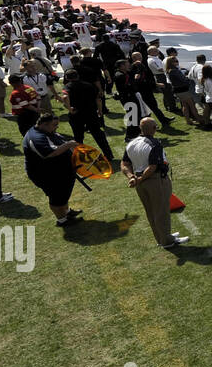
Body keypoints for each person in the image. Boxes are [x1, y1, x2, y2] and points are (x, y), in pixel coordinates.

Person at [121, 118, 189, 250]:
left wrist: (131, 176)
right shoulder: (154, 144)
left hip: (141, 183)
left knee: (151, 211)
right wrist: (140, 179)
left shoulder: (131, 143)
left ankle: (161, 237)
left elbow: (124, 164)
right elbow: (152, 167)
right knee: (161, 211)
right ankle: (167, 241)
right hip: (155, 180)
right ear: (153, 129)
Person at [23, 113, 83, 227]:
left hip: (59, 171)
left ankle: (67, 212)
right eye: (54, 125)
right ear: (44, 125)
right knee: (56, 197)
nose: (57, 127)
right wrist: (68, 144)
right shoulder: (36, 137)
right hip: (46, 174)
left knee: (63, 194)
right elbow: (50, 153)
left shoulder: (46, 131)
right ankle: (62, 220)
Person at [58, 69, 114, 164]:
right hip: (91, 113)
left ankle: (82, 158)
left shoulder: (68, 87)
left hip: (77, 115)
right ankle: (108, 154)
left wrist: (69, 108)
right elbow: (98, 99)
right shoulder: (89, 85)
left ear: (67, 78)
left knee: (78, 137)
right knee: (98, 134)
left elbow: (64, 97)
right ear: (78, 76)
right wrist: (100, 110)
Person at [8, 72, 41, 137]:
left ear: (11, 83)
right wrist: (38, 108)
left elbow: (25, 105)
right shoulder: (28, 87)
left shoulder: (16, 93)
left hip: (24, 115)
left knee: (26, 131)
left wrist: (36, 110)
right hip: (34, 113)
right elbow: (38, 98)